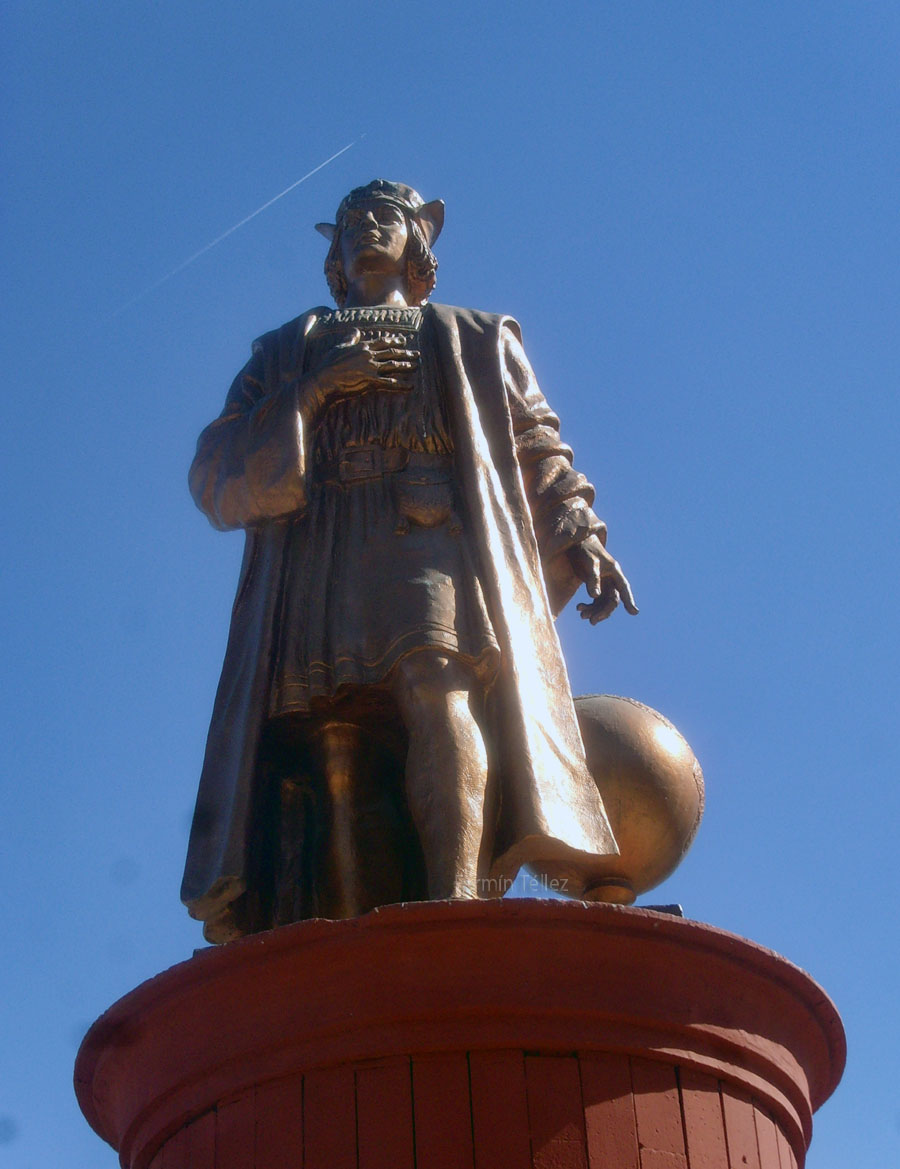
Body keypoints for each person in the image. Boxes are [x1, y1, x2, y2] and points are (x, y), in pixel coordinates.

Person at [182, 180, 637, 943]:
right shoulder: (286, 347)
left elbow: (536, 441)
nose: (366, 229)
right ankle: (353, 927)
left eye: (384, 217)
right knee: (333, 734)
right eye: (352, 221)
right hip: (319, 540)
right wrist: (317, 388)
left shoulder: (475, 334)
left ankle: (453, 903)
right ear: (333, 251)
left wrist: (580, 528)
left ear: (420, 241)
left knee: (437, 684)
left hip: (425, 528)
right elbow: (214, 467)